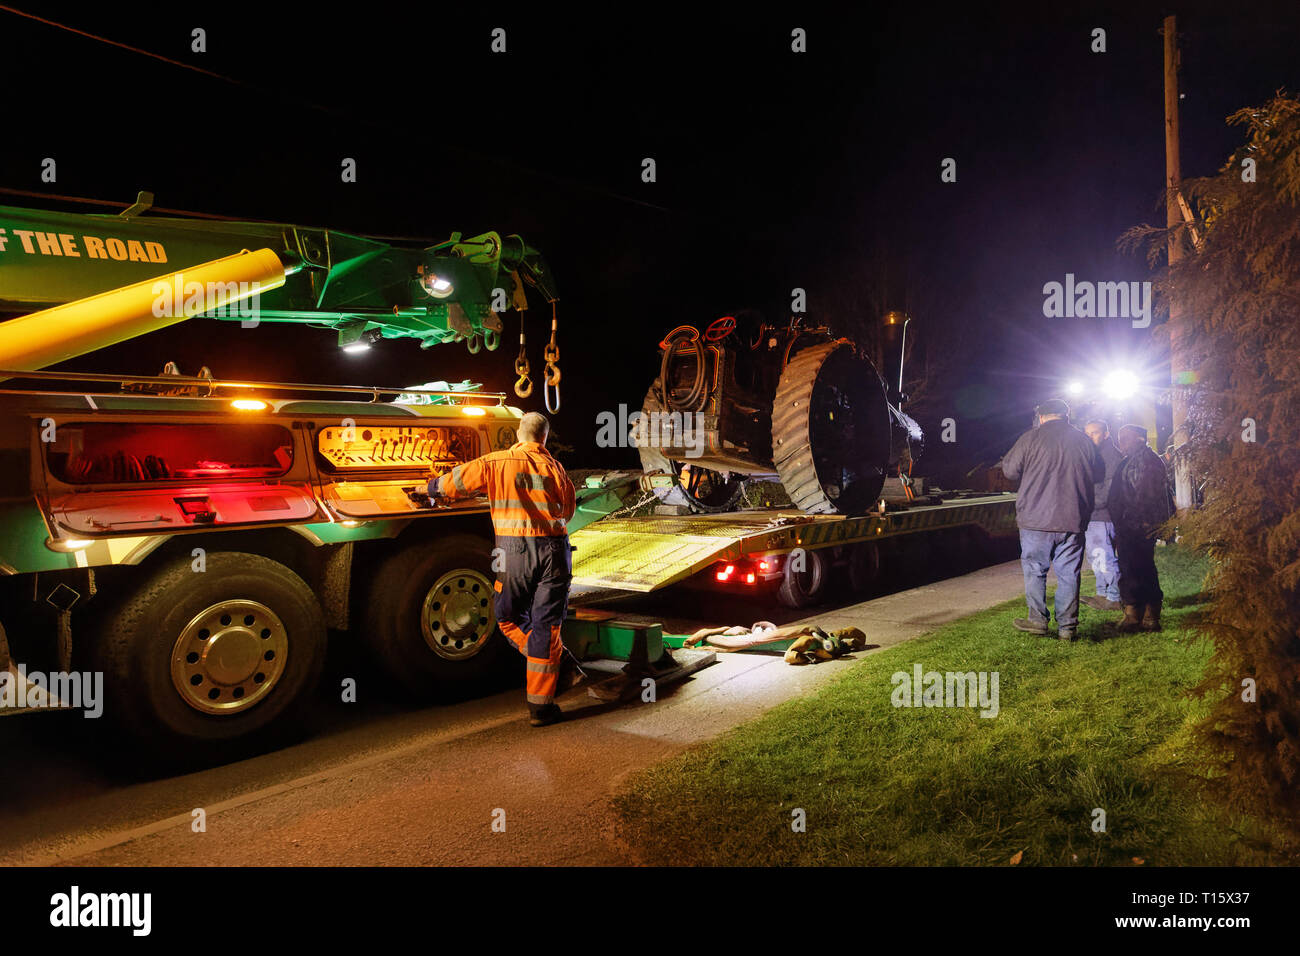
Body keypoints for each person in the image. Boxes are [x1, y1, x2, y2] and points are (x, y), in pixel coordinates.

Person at [428, 411, 577, 726]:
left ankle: (555, 660)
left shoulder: (496, 462)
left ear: (519, 434)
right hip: (554, 551)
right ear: (544, 438)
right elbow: (567, 511)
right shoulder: (556, 468)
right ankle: (541, 706)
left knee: (507, 617)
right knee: (546, 628)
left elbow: (455, 483)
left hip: (514, 551)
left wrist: (429, 488)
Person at [999, 399, 1105, 641]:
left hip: (1036, 518)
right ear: (1066, 416)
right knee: (1069, 573)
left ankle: (1037, 620)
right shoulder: (1083, 440)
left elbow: (1010, 471)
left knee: (1035, 570)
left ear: (1041, 417)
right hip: (1072, 517)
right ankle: (1067, 627)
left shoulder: (1030, 438)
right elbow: (1099, 474)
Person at [1106, 424, 1174, 633]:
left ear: (1140, 439)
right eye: (1120, 438)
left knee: (1138, 569)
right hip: (1131, 525)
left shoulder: (1144, 461)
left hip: (1136, 526)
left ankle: (1142, 614)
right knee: (1134, 568)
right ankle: (1140, 613)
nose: (1121, 443)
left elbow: (1144, 497)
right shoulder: (1134, 460)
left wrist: (1135, 522)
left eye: (1126, 438)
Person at [1081, 419, 1124, 611]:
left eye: (1095, 432)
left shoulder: (1110, 456)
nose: (1090, 437)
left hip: (1101, 515)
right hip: (1096, 515)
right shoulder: (1097, 454)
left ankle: (1114, 597)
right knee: (1097, 556)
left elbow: (1108, 490)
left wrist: (1087, 505)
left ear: (1106, 434)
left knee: (1102, 556)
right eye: (1087, 433)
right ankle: (1102, 593)